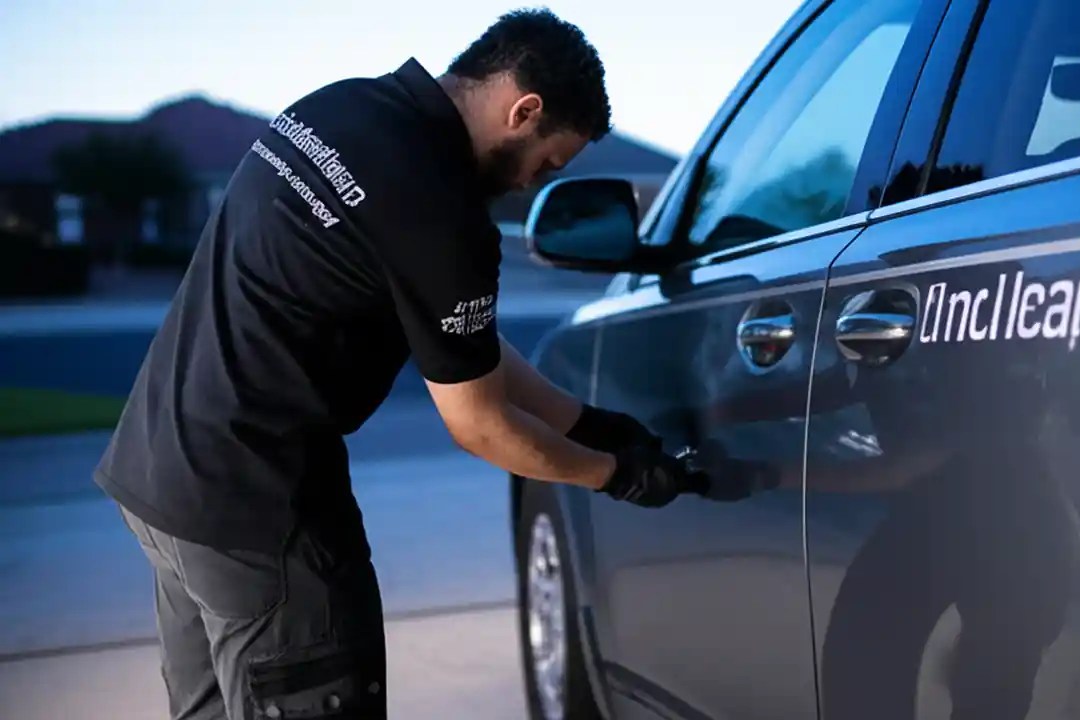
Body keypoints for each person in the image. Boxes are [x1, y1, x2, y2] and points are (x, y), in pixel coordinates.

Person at [95, 10, 696, 719]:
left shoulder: (339, 109)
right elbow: (480, 427)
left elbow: (459, 352)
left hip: (162, 477)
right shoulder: (442, 211)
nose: (534, 185)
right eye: (547, 163)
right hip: (262, 510)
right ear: (523, 110)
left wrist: (588, 422)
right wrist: (617, 475)